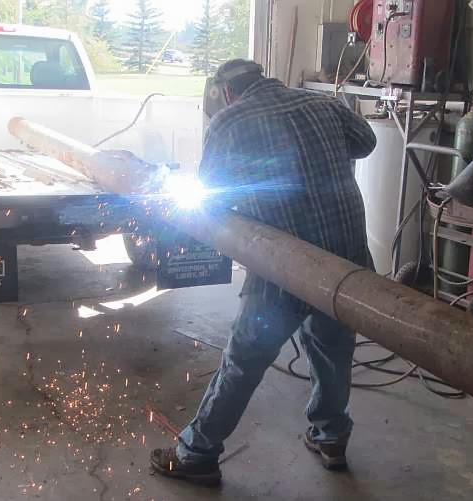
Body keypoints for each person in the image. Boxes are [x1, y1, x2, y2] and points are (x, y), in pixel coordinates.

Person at [150, 59, 377, 485]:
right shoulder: (319, 102)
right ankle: (331, 436)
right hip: (346, 260)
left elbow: (211, 200)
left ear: (225, 93)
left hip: (285, 265)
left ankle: (196, 453)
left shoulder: (229, 122)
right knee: (331, 350)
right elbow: (365, 142)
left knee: (244, 359)